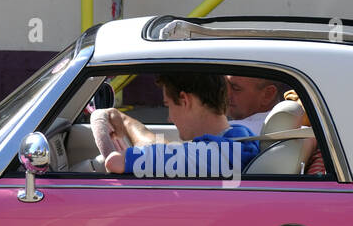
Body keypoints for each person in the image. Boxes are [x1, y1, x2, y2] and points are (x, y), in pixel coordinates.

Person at [93, 72, 260, 177]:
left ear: (184, 100)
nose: (169, 118)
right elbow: (170, 152)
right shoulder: (241, 137)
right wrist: (126, 122)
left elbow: (114, 162)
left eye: (168, 106)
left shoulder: (208, 157)